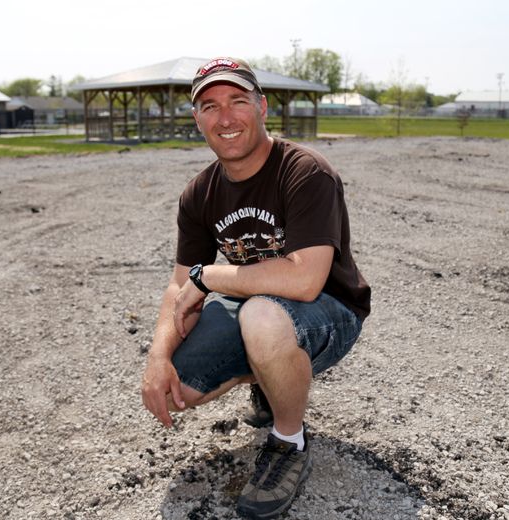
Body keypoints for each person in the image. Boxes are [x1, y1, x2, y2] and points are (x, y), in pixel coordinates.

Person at [141, 57, 371, 519]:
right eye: (210, 106)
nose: (225, 118)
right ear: (197, 119)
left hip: (331, 310)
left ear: (262, 107)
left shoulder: (306, 171)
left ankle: (289, 442)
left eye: (238, 101)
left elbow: (305, 281)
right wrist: (158, 355)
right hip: (259, 305)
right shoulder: (198, 194)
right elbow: (178, 283)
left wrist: (209, 277)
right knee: (178, 389)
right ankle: (272, 378)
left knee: (261, 316)